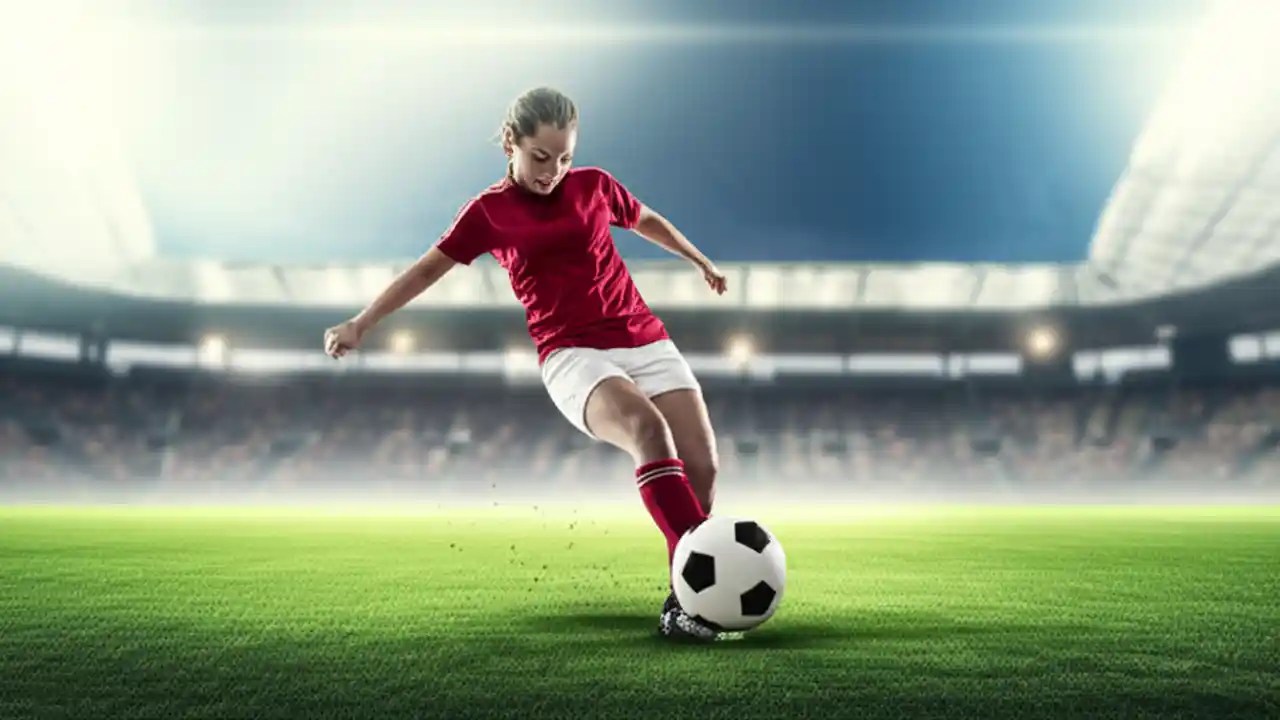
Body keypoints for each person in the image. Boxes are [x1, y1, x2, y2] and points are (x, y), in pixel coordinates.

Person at [323, 86, 727, 641]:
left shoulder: (595, 185)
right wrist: (361, 323)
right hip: (572, 353)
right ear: (511, 142)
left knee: (702, 467)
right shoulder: (489, 212)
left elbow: (647, 220)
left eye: (565, 158)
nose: (553, 172)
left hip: (644, 338)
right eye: (541, 157)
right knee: (647, 430)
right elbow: (423, 271)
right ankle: (708, 588)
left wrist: (698, 258)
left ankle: (683, 601)